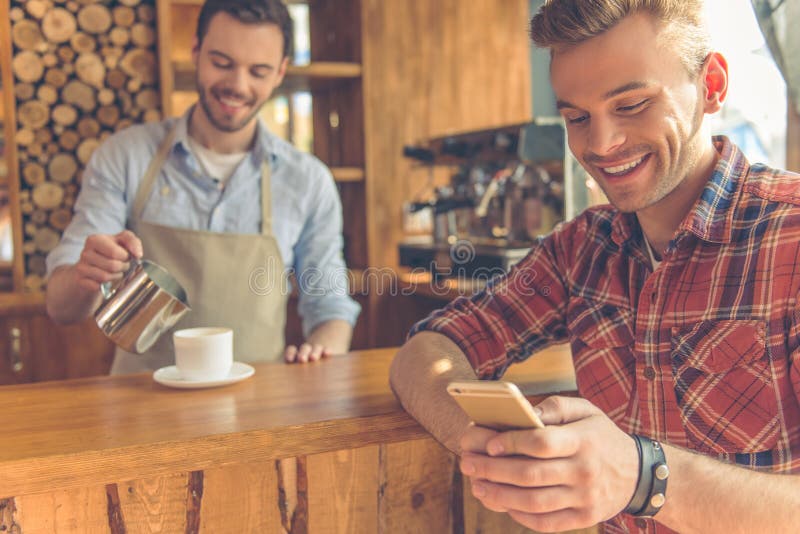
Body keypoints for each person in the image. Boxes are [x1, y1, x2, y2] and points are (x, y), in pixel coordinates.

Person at [390, 1, 800, 532]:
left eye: (631, 104)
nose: (600, 144)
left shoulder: (790, 235)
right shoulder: (581, 249)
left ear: (712, 85)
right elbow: (427, 352)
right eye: (576, 118)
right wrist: (487, 443)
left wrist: (641, 478)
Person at [46, 0, 360, 373]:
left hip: (259, 412)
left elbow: (330, 307)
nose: (237, 85)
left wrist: (321, 353)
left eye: (258, 71)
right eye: (222, 63)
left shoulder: (308, 181)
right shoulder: (125, 156)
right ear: (195, 52)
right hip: (139, 411)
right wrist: (87, 272)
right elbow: (60, 308)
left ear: (280, 72)